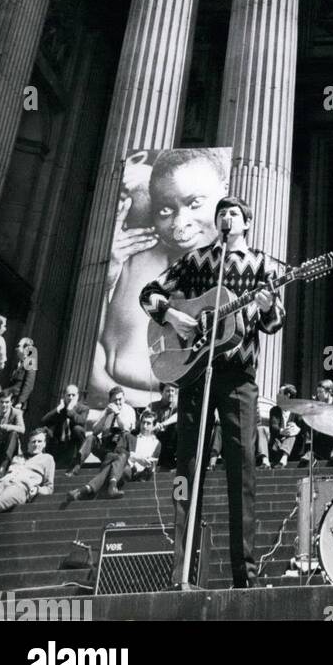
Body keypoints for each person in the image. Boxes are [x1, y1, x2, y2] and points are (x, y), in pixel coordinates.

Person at [139, 194, 284, 589]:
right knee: (188, 468)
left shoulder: (264, 264)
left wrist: (268, 306)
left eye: (234, 212)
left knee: (242, 471)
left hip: (238, 377)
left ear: (247, 223)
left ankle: (245, 577)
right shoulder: (196, 259)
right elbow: (150, 292)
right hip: (194, 375)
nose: (226, 216)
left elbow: (275, 323)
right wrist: (173, 315)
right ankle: (181, 572)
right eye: (221, 212)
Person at [95, 146, 231, 405]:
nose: (180, 225)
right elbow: (90, 365)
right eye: (165, 211)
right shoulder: (133, 253)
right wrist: (109, 269)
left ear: (223, 191)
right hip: (109, 415)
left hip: (156, 420)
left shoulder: (229, 269)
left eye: (195, 204)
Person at [64, 386, 132, 502]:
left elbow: (127, 429)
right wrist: (106, 415)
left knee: (120, 458)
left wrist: (117, 414)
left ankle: (84, 490)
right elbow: (95, 430)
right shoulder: (106, 411)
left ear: (124, 399)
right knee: (91, 438)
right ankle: (76, 465)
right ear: (110, 401)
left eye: (120, 399)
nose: (118, 402)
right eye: (115, 400)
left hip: (119, 449)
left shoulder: (129, 410)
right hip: (106, 447)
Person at [0, 428, 55, 522]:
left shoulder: (47, 459)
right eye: (33, 442)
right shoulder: (17, 457)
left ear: (44, 444)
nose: (36, 444)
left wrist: (37, 489)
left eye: (39, 441)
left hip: (20, 487)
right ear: (28, 444)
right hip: (3, 482)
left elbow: (49, 488)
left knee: (11, 492)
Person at [40, 385, 89, 469]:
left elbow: (81, 421)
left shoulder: (83, 408)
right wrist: (58, 409)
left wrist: (70, 410)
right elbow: (44, 421)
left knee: (77, 429)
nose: (71, 397)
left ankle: (79, 457)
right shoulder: (61, 409)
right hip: (61, 443)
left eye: (73, 395)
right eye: (68, 395)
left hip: (74, 443)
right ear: (64, 396)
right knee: (45, 430)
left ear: (77, 396)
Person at [269, 385, 303, 466]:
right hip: (277, 445)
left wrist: (297, 429)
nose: (277, 395)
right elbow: (273, 427)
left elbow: (304, 429)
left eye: (280, 393)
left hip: (293, 449)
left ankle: (284, 457)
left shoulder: (297, 411)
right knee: (289, 431)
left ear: (287, 396)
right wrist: (282, 431)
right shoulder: (274, 410)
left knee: (292, 432)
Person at [126, 411, 162, 480]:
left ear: (153, 426)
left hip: (144, 475)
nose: (144, 426)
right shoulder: (132, 437)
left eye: (148, 423)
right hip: (129, 471)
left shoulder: (157, 443)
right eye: (143, 422)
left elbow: (153, 464)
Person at [151, 383, 179, 468]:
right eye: (167, 391)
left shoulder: (177, 406)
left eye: (172, 391)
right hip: (156, 436)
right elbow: (145, 416)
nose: (171, 393)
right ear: (161, 392)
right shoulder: (153, 405)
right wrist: (154, 425)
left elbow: (178, 416)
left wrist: (163, 424)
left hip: (171, 438)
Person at [9, 337, 38, 411]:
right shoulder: (18, 364)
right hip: (10, 399)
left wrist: (20, 402)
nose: (16, 349)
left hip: (17, 402)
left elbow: (29, 383)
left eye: (19, 346)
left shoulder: (30, 362)